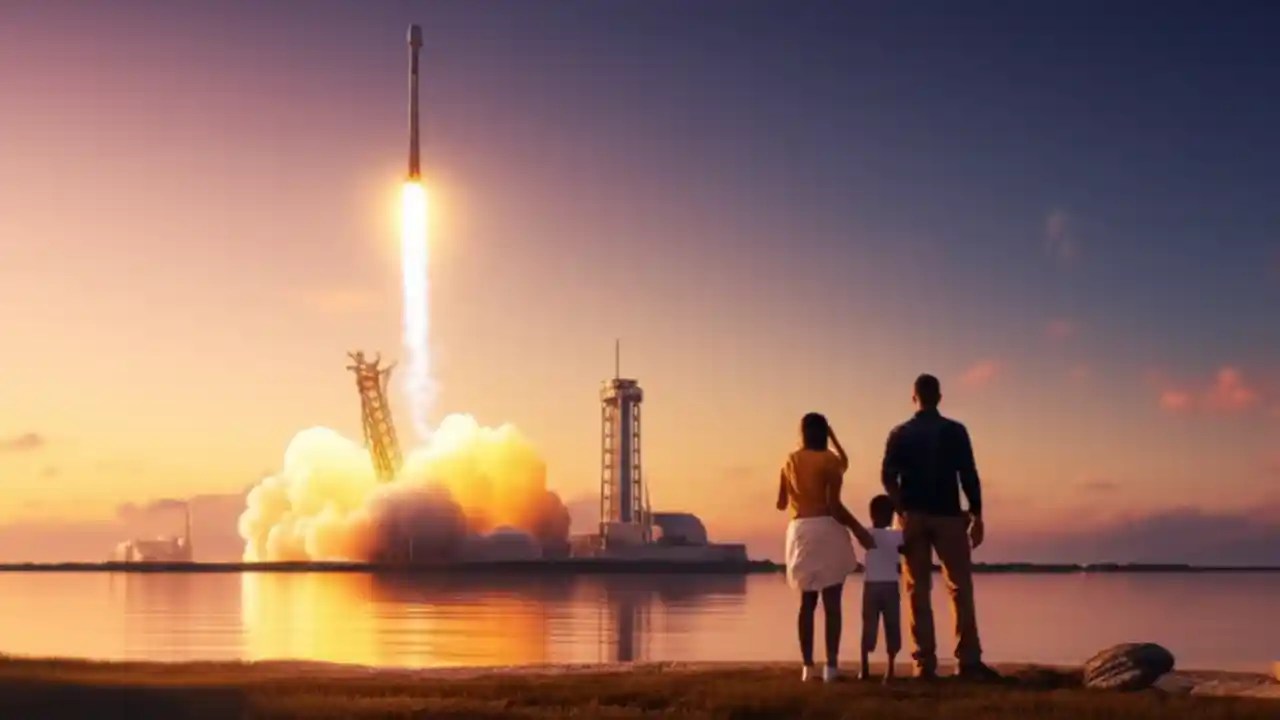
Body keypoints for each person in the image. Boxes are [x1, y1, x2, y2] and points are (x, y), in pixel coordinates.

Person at [881, 374, 999, 681]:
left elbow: (886, 477)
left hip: (914, 516)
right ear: (939, 397)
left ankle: (924, 665)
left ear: (914, 397)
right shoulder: (955, 431)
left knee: (917, 592)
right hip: (948, 515)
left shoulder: (900, 433)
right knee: (960, 588)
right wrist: (977, 513)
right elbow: (968, 474)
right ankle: (968, 661)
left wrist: (900, 510)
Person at [777, 412, 875, 682]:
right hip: (827, 528)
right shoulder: (830, 461)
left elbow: (781, 503)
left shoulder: (790, 460)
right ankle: (831, 667)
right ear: (825, 432)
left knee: (806, 603)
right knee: (832, 604)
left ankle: (808, 668)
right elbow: (834, 505)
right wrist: (859, 531)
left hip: (801, 530)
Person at [859, 494, 903, 682]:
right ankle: (884, 668)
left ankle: (869, 668)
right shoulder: (893, 535)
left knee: (872, 625)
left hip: (874, 585)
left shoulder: (868, 533)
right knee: (887, 625)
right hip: (886, 585)